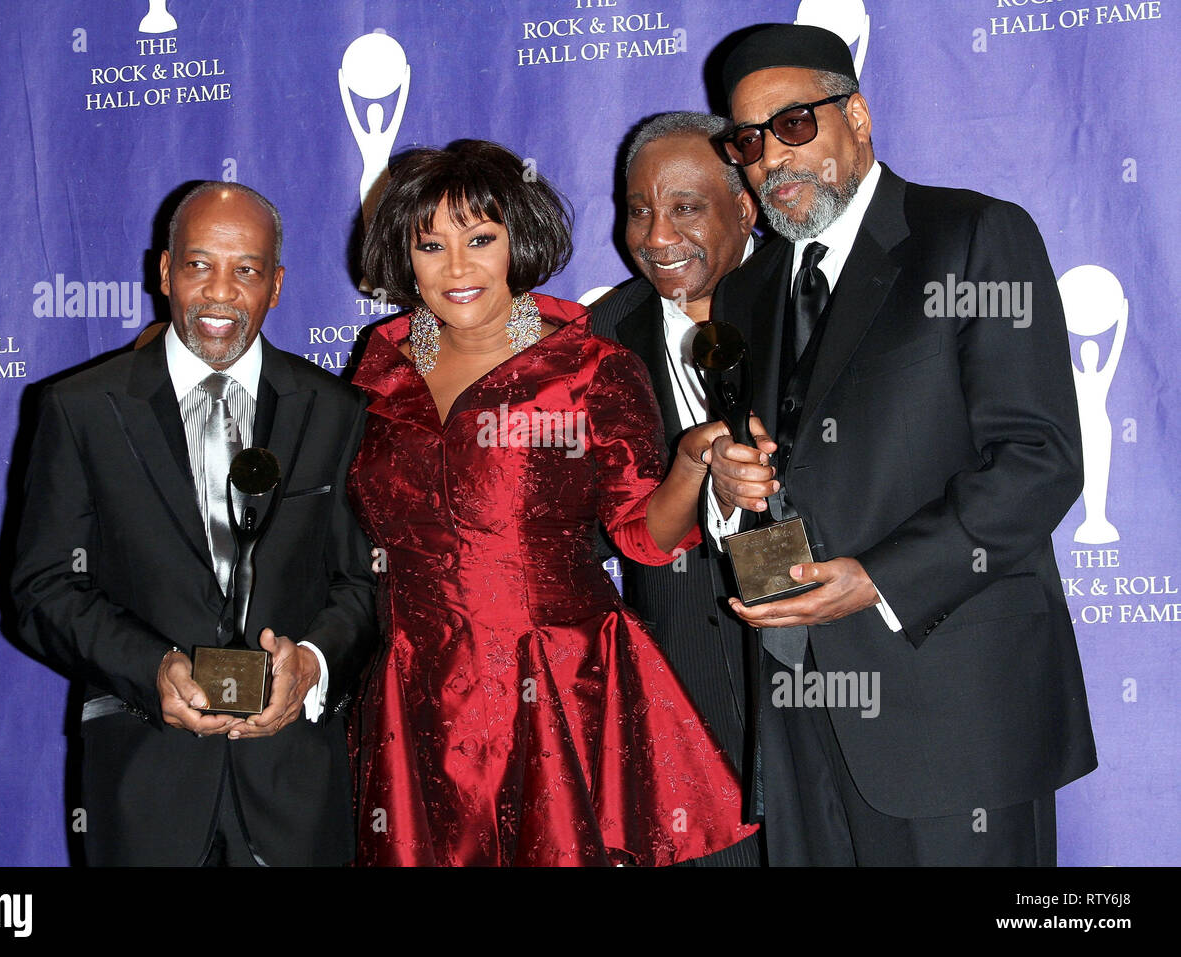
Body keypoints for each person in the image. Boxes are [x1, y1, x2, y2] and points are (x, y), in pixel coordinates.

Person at [707, 23, 1096, 865]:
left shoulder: (972, 236)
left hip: (953, 711)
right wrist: (727, 486)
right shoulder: (744, 292)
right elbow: (772, 477)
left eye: (795, 124)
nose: (773, 157)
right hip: (799, 710)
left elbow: (1040, 459)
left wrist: (878, 578)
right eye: (748, 141)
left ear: (858, 116)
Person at [348, 139, 767, 866]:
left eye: (481, 239)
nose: (457, 268)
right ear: (402, 255)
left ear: (521, 240)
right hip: (413, 695)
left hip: (553, 688)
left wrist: (690, 465)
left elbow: (642, 536)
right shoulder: (379, 368)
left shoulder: (586, 367)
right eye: (430, 245)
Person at [11, 182, 378, 866]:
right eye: (198, 264)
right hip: (143, 785)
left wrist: (312, 665)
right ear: (163, 271)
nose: (219, 292)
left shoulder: (336, 412)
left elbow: (364, 584)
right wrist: (151, 668)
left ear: (276, 284)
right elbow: (42, 590)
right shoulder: (81, 409)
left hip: (295, 789)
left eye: (247, 270)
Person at [590, 111, 761, 867]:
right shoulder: (596, 341)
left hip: (837, 680)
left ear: (745, 208)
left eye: (686, 207)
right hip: (679, 694)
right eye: (638, 210)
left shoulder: (819, 303)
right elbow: (589, 525)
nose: (656, 236)